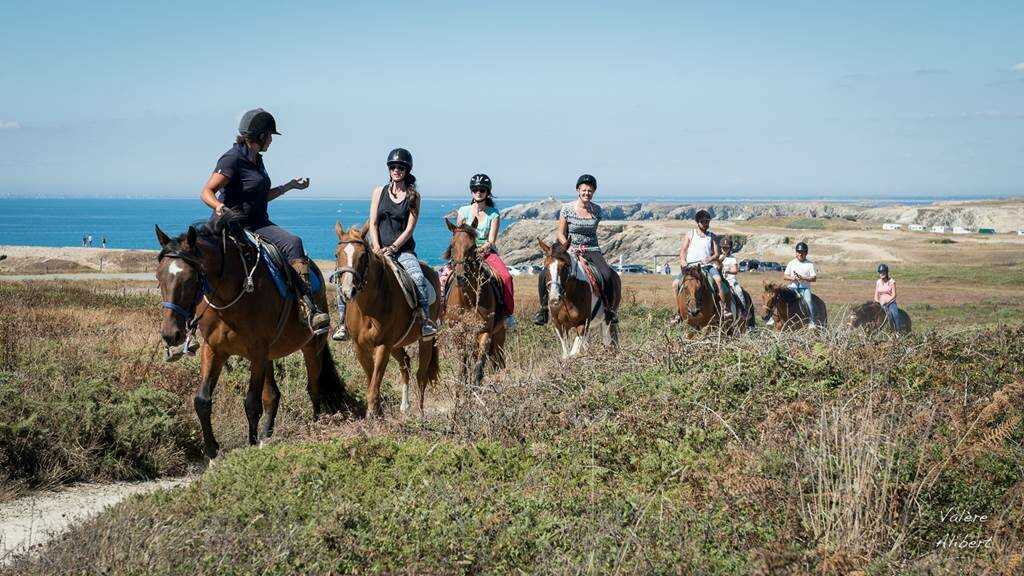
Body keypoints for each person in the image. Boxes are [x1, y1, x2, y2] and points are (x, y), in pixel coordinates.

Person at [199, 108, 330, 335]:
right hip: (230, 224)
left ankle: (306, 307)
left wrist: (289, 186)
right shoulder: (232, 158)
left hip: (258, 223)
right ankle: (188, 326)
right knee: (198, 259)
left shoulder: (257, 160)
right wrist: (220, 207)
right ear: (260, 135)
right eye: (270, 135)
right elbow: (206, 192)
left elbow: (261, 195)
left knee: (294, 243)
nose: (271, 139)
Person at [333, 148, 436, 341]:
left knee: (419, 279)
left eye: (400, 167)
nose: (396, 170)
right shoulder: (379, 192)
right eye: (393, 167)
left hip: (402, 250)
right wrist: (377, 246)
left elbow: (410, 228)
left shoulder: (414, 196)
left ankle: (425, 321)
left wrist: (394, 247)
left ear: (407, 170)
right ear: (389, 170)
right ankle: (342, 323)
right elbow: (372, 222)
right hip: (377, 249)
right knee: (347, 275)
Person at [533, 174, 619, 326]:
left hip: (591, 249)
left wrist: (586, 249)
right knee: (543, 274)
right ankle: (543, 310)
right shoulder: (567, 209)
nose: (587, 193)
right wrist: (570, 247)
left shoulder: (597, 210)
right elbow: (560, 233)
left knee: (607, 274)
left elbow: (591, 233)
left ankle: (608, 310)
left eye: (590, 191)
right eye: (584, 190)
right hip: (568, 247)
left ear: (594, 192)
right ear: (578, 190)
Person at [445, 174, 516, 327]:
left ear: (487, 192)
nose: (479, 192)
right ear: (472, 192)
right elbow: (458, 234)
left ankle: (508, 314)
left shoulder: (493, 213)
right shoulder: (463, 211)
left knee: (506, 277)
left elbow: (491, 240)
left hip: (486, 252)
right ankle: (440, 311)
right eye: (476, 189)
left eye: (482, 190)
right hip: (464, 252)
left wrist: (482, 248)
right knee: (443, 277)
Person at [674, 210, 732, 318]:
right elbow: (683, 251)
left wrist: (709, 259)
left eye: (707, 221)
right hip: (690, 267)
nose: (706, 224)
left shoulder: (712, 236)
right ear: (698, 222)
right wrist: (683, 261)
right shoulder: (690, 234)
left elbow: (716, 254)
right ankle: (678, 311)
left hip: (706, 267)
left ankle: (724, 308)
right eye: (703, 222)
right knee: (675, 284)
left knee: (718, 280)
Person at [784, 241, 817, 326]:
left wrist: (803, 278)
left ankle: (811, 321)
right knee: (780, 298)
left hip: (804, 288)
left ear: (806, 253)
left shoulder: (810, 264)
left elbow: (814, 278)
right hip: (792, 288)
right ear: (796, 253)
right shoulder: (791, 263)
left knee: (809, 301)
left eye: (802, 252)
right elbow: (785, 276)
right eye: (799, 252)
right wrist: (792, 278)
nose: (800, 254)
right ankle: (772, 318)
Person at [719, 237, 745, 311]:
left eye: (727, 248)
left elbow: (735, 270)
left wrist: (727, 271)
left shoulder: (732, 258)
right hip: (720, 280)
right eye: (723, 248)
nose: (725, 249)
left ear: (730, 249)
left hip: (730, 280)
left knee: (739, 291)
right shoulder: (718, 257)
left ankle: (743, 310)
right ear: (721, 248)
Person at [874, 263, 902, 331]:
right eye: (880, 272)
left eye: (883, 272)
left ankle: (897, 331)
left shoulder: (892, 281)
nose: (881, 274)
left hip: (890, 303)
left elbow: (894, 295)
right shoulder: (878, 282)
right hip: (880, 304)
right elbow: (875, 295)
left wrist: (887, 302)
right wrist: (878, 302)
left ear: (886, 272)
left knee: (895, 314)